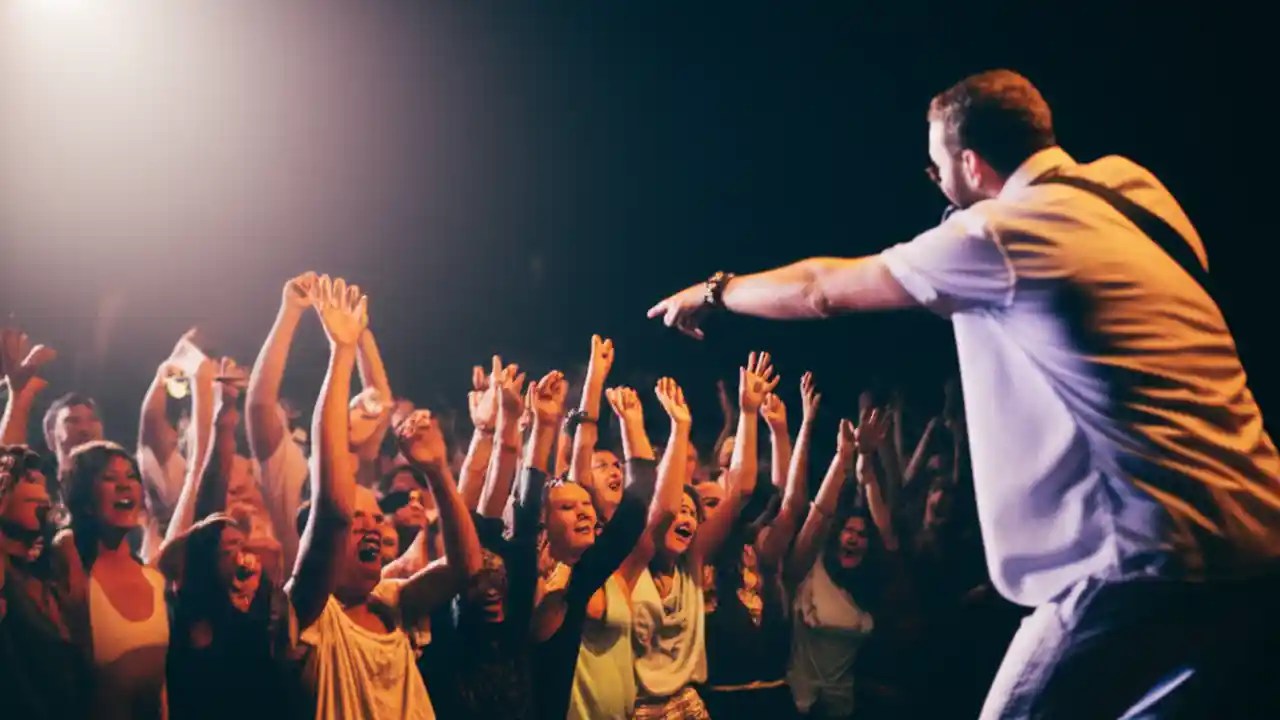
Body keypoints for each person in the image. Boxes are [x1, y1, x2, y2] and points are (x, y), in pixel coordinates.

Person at [648, 68, 1280, 718]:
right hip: (1260, 544)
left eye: (936, 167)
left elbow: (821, 289)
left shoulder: (1002, 235)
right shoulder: (1137, 191)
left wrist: (714, 289)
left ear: (972, 165)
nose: (937, 182)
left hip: (1143, 558)